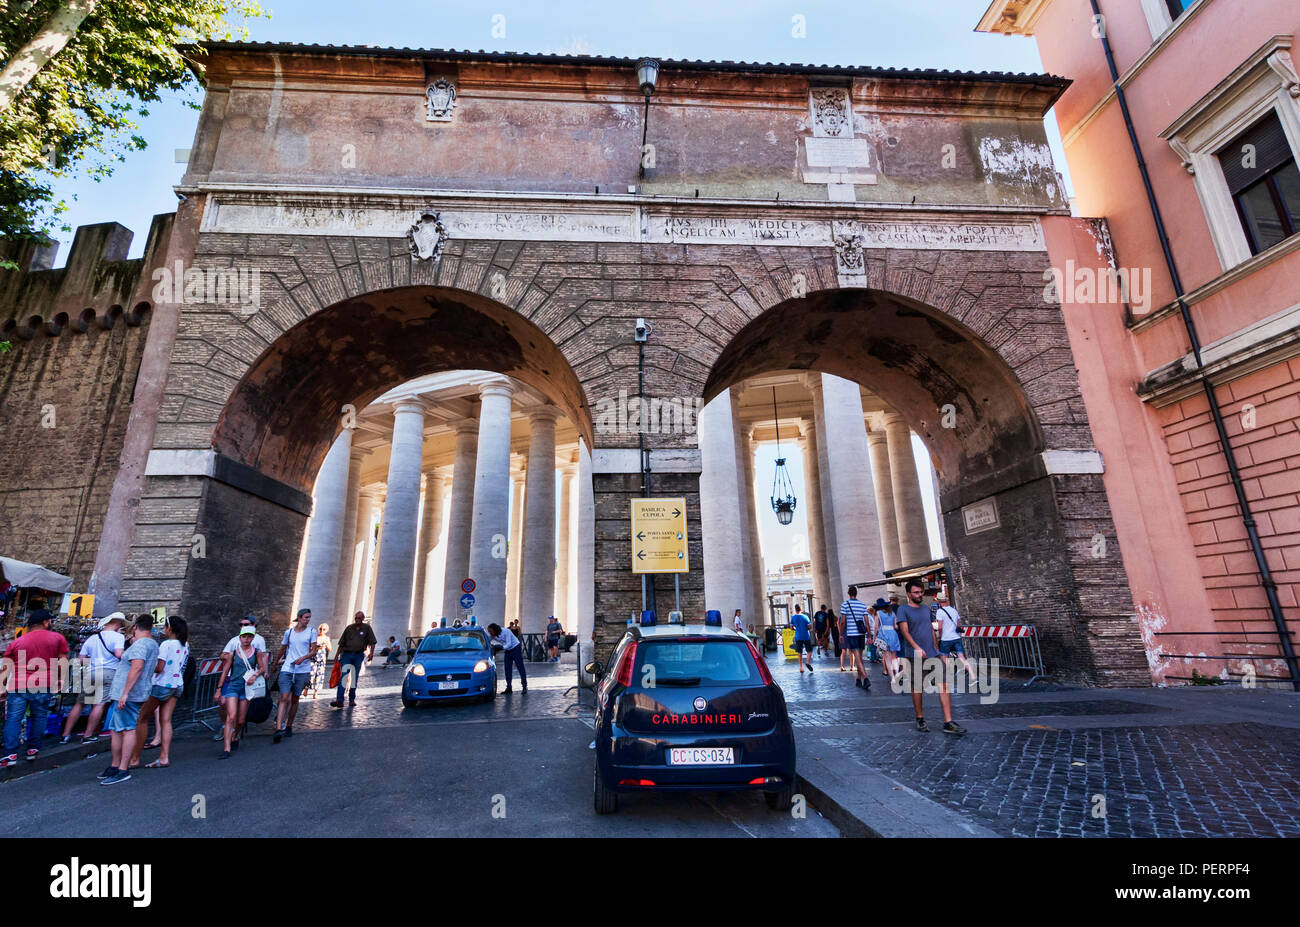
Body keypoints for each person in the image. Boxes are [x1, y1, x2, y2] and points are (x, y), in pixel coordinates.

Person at [1, 604, 68, 767]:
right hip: (43, 684)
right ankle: (33, 750)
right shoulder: (57, 638)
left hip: (18, 685)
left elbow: (6, 665)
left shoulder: (18, 642)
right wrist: (61, 680)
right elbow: (62, 661)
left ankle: (10, 754)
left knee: (14, 718)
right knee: (39, 716)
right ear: (46, 622)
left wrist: (2, 686)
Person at [895, 579, 963, 735]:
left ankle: (948, 722)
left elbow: (930, 628)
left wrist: (936, 647)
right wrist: (917, 648)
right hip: (915, 655)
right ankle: (920, 718)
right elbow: (905, 631)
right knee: (917, 687)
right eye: (916, 592)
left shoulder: (926, 609)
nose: (920, 595)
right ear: (908, 594)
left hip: (933, 653)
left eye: (921, 592)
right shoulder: (903, 610)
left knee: (944, 685)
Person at [97, 614, 160, 784]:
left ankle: (123, 768)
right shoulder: (152, 644)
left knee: (127, 729)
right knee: (117, 729)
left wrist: (125, 693)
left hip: (130, 694)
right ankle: (115, 765)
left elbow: (137, 667)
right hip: (132, 692)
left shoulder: (141, 645)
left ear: (135, 627)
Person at [129, 615, 189, 769]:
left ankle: (135, 758)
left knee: (142, 719)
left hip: (161, 684)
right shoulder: (185, 645)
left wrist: (148, 666)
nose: (163, 630)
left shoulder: (165, 645)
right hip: (176, 685)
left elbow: (159, 668)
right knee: (166, 720)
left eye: (165, 627)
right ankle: (164, 756)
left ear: (170, 628)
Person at [60, 611, 126, 744]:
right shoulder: (118, 637)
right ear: (117, 624)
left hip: (91, 671)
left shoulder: (92, 638)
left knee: (80, 703)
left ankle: (65, 734)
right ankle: (88, 735)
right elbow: (119, 654)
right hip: (108, 672)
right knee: (99, 704)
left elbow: (80, 660)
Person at [215, 623, 265, 758]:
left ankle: (235, 735)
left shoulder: (257, 652)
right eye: (244, 637)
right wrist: (219, 689)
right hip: (233, 685)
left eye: (249, 637)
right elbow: (225, 672)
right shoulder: (233, 654)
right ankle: (226, 748)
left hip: (247, 687)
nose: (246, 639)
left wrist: (255, 675)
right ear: (240, 638)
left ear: (253, 638)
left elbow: (262, 668)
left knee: (241, 720)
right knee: (231, 716)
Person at [273, 608, 318, 742]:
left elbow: (314, 651)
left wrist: (303, 658)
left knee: (295, 699)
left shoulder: (312, 631)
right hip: (288, 667)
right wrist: (276, 663)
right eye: (306, 617)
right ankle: (278, 727)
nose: (308, 620)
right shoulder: (289, 632)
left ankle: (289, 725)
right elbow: (283, 648)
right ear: (299, 618)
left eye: (309, 617)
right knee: (284, 696)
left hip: (302, 669)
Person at [331, 611, 376, 708]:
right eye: (356, 617)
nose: (357, 619)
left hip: (358, 655)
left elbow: (373, 642)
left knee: (354, 678)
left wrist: (371, 654)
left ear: (363, 618)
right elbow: (341, 643)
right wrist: (336, 656)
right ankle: (339, 700)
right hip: (347, 655)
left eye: (359, 618)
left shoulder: (367, 628)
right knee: (343, 677)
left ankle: (352, 699)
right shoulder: (349, 628)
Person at [935, 593, 978, 686]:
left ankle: (948, 678)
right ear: (946, 600)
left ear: (938, 601)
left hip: (946, 639)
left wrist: (940, 637)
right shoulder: (954, 610)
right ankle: (973, 676)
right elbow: (958, 625)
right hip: (956, 637)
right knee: (962, 657)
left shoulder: (939, 612)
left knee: (944, 658)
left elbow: (940, 627)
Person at [839, 586, 872, 691]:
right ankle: (858, 679)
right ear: (856, 593)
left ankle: (866, 678)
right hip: (861, 634)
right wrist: (869, 635)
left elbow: (843, 621)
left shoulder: (845, 604)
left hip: (852, 634)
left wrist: (840, 634)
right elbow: (866, 622)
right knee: (860, 658)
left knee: (857, 658)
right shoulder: (862, 605)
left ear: (848, 593)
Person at [486, 622, 527, 693]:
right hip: (508, 650)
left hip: (515, 648)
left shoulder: (506, 631)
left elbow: (509, 644)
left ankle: (524, 686)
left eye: (490, 631)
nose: (490, 633)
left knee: (520, 667)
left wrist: (500, 647)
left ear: (494, 629)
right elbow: (487, 640)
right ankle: (509, 687)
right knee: (507, 669)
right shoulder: (493, 635)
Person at [871, 598, 902, 683]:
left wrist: (874, 638)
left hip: (884, 635)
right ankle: (897, 673)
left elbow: (876, 627)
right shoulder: (892, 613)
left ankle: (892, 678)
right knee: (894, 657)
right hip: (893, 635)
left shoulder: (878, 613)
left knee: (887, 658)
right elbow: (896, 626)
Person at [307, 622, 331, 698]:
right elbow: (309, 648)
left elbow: (330, 649)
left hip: (322, 658)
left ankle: (315, 692)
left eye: (324, 629)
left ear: (326, 630)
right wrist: (316, 647)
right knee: (311, 674)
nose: (322, 630)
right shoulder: (315, 637)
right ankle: (306, 688)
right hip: (314, 657)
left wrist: (326, 644)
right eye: (320, 629)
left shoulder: (327, 638)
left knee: (319, 675)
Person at [789, 604, 814, 673]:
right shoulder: (805, 617)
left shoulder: (793, 617)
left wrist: (796, 629)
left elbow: (791, 628)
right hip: (806, 636)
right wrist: (805, 628)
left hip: (798, 636)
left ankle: (801, 667)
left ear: (795, 609)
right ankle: (808, 662)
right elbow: (810, 627)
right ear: (801, 609)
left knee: (799, 652)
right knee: (809, 651)